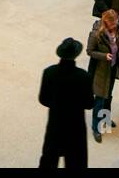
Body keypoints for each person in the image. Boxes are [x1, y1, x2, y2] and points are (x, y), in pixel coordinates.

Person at [38, 38, 92, 168]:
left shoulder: (49, 72)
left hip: (55, 123)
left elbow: (43, 99)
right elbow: (89, 104)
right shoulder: (83, 76)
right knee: (76, 161)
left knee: (49, 160)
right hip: (75, 127)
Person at [86, 9, 119, 143]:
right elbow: (90, 51)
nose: (116, 25)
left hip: (112, 68)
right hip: (100, 71)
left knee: (108, 95)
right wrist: (104, 56)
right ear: (106, 22)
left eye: (116, 23)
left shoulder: (116, 28)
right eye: (113, 23)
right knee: (100, 98)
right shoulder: (96, 34)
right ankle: (96, 128)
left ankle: (106, 118)